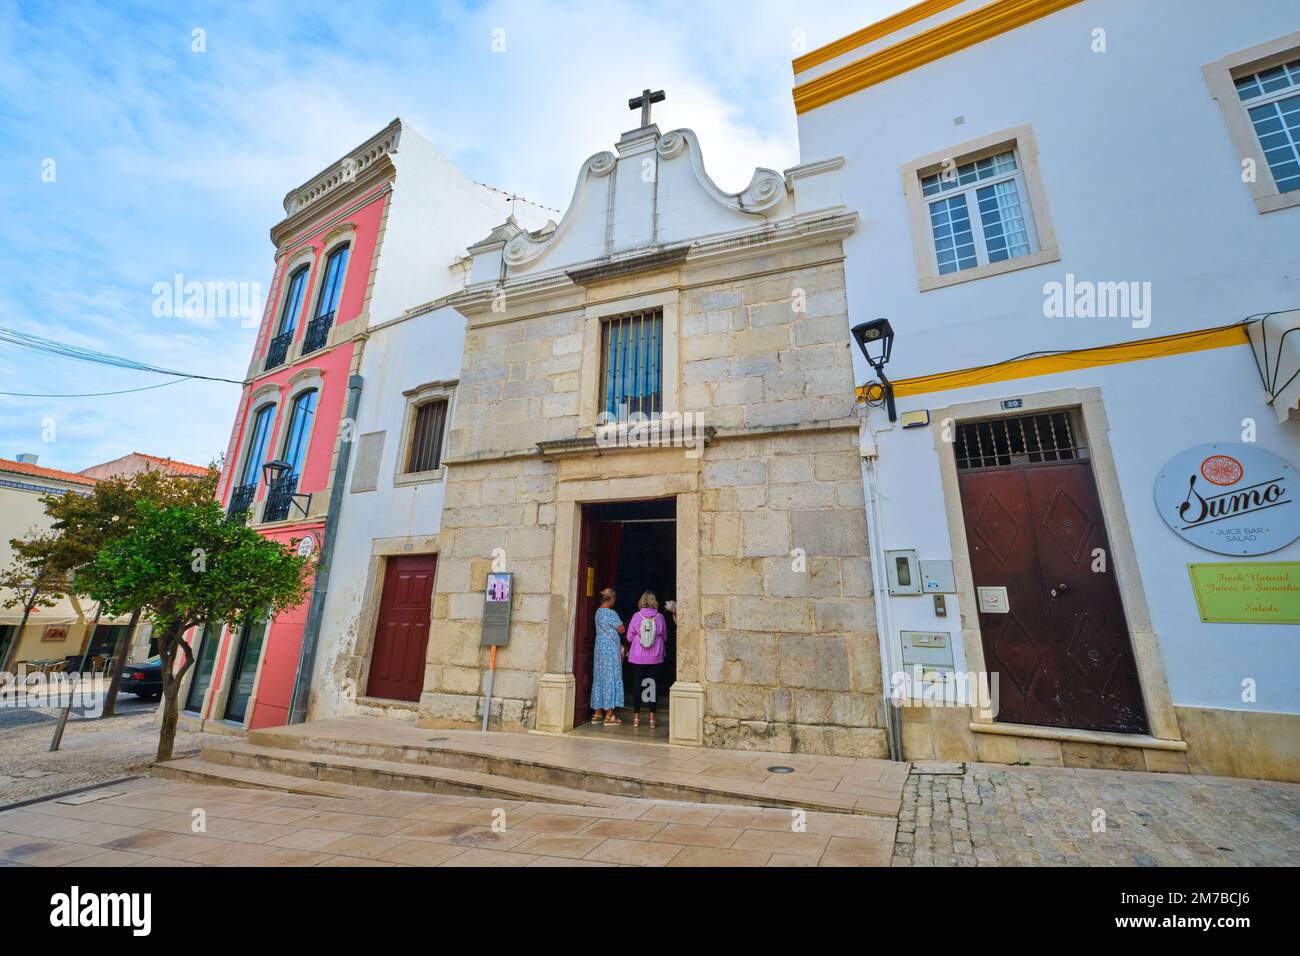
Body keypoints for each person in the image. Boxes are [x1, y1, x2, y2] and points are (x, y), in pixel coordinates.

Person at [625, 591, 667, 729]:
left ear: (642, 601)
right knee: (652, 686)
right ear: (654, 601)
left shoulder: (637, 616)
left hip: (637, 656)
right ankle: (651, 718)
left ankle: (636, 717)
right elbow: (665, 637)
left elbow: (629, 638)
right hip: (655, 656)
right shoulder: (660, 617)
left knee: (637, 684)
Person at [591, 588, 625, 725]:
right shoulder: (611, 613)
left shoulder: (598, 612)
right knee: (611, 677)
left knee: (599, 677)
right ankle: (609, 716)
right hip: (610, 648)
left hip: (599, 647)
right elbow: (621, 628)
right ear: (611, 599)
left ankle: (598, 712)